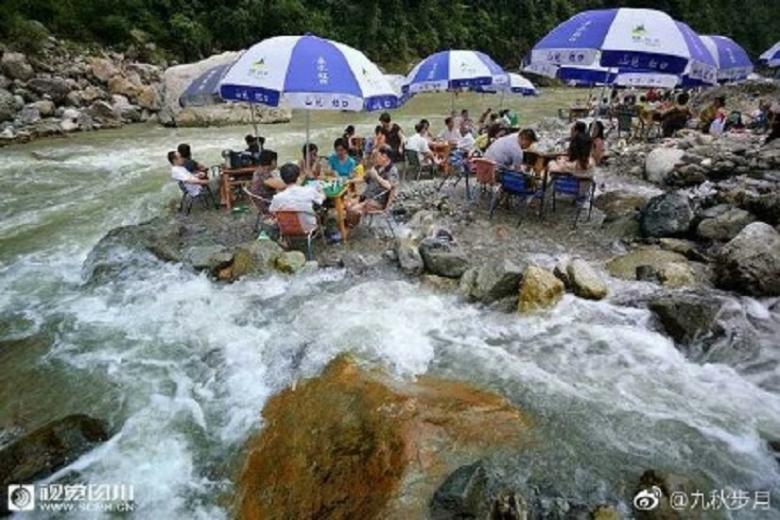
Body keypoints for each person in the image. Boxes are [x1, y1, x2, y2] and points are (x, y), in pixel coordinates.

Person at [269, 163, 325, 232]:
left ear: (282, 179)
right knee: (321, 208)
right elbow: (321, 201)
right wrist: (322, 192)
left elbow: (272, 211)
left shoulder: (277, 198)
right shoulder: (309, 191)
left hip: (287, 228)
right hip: (309, 227)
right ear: (298, 177)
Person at [347, 145, 398, 219]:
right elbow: (364, 178)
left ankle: (352, 226)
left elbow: (389, 186)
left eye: (378, 156)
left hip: (377, 201)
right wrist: (349, 181)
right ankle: (350, 224)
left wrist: (376, 176)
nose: (376, 158)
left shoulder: (392, 170)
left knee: (353, 210)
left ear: (384, 157)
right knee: (348, 204)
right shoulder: (378, 167)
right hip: (366, 196)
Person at [548, 132, 595, 197]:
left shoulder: (573, 165)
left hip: (568, 190)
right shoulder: (591, 161)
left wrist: (555, 161)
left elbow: (553, 169)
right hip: (584, 191)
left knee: (551, 166)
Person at [250, 149, 284, 215]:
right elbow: (281, 186)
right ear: (273, 161)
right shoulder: (263, 173)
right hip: (267, 204)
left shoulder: (259, 170)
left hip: (262, 201)